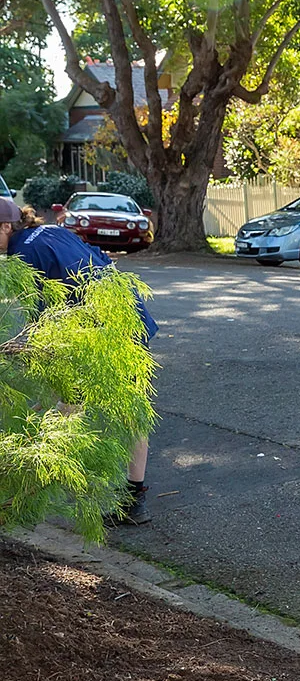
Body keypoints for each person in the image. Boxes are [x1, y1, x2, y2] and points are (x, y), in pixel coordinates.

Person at [0, 195, 157, 525]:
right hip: (124, 313)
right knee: (128, 411)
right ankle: (133, 498)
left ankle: (41, 480)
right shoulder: (52, 231)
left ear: (5, 227)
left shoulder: (23, 253)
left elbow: (45, 322)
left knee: (70, 406)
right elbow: (98, 260)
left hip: (100, 328)